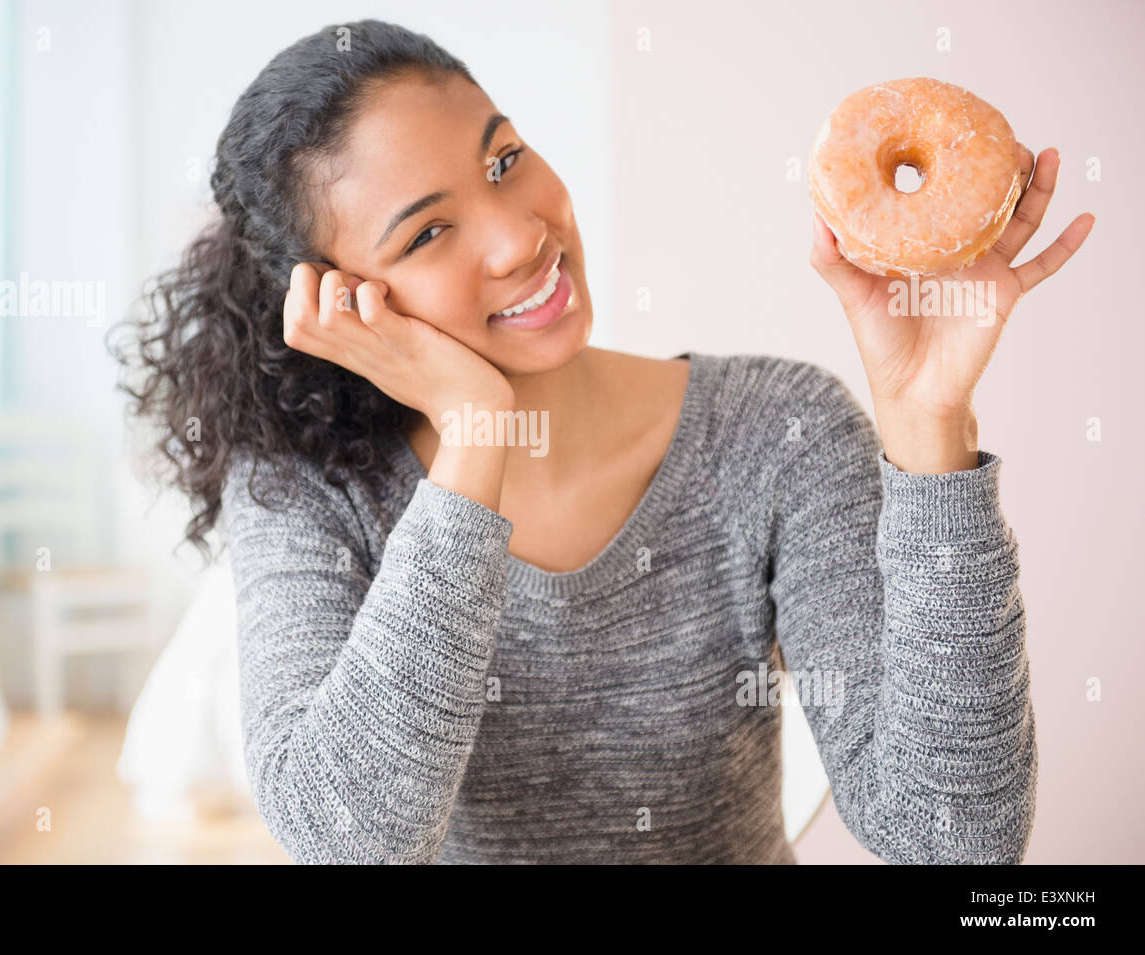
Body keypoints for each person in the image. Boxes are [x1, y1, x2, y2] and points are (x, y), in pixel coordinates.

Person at [110, 19, 1092, 863]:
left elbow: (953, 835)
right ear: (339, 302)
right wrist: (477, 439)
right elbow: (351, 838)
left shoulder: (774, 430)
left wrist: (927, 423)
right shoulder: (303, 485)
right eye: (425, 234)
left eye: (503, 161)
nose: (517, 236)